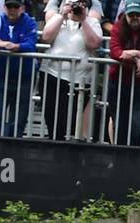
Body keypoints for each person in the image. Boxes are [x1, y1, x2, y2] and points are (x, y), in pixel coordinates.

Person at [41, 1, 103, 142]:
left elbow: (94, 44)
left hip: (77, 81)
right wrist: (62, 16)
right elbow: (46, 37)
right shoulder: (58, 18)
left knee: (68, 122)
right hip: (51, 74)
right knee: (51, 118)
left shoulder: (92, 22)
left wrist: (83, 21)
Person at [0, 0, 38, 138]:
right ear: (4, 7)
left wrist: (14, 46)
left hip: (25, 77)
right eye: (9, 6)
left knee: (18, 120)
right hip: (1, 75)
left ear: (22, 8)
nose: (12, 9)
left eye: (15, 6)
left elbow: (31, 45)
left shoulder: (30, 22)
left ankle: (14, 150)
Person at [107, 0, 140, 146]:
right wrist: (137, 60)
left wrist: (137, 53)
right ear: (125, 15)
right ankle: (119, 156)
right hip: (117, 81)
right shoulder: (117, 26)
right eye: (131, 15)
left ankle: (135, 159)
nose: (135, 18)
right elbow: (115, 51)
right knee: (119, 123)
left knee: (136, 124)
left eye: (138, 14)